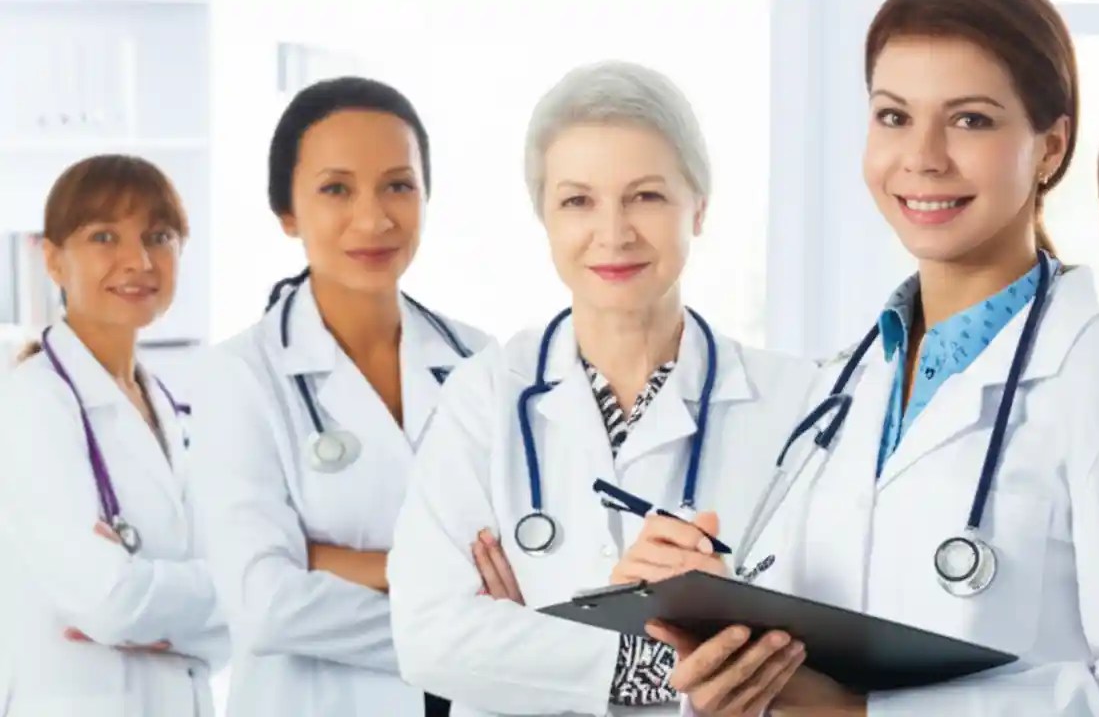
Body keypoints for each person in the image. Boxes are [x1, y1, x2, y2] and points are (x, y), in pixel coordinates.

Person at [646, 0, 1099, 715]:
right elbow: (815, 648)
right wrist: (715, 621)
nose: (922, 156)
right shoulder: (842, 386)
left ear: (1050, 146)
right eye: (894, 116)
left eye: (970, 119)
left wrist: (861, 714)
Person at [386, 60, 817, 717]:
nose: (613, 233)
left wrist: (533, 631)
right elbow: (428, 638)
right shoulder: (485, 397)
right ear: (545, 217)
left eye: (646, 195)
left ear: (698, 207)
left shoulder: (795, 401)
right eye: (577, 200)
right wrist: (671, 666)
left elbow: (818, 628)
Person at [188, 76, 490, 717]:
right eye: (336, 189)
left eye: (398, 185)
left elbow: (530, 566)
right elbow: (263, 604)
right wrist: (456, 613)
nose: (374, 217)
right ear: (287, 212)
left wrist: (339, 562)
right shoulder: (240, 376)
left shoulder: (480, 363)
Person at [0, 154, 227, 716]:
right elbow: (109, 602)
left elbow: (239, 629)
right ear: (52, 259)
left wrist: (189, 602)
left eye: (159, 235)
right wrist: (229, 592)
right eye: (104, 236)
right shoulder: (30, 403)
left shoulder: (178, 416)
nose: (139, 260)